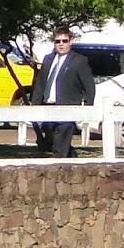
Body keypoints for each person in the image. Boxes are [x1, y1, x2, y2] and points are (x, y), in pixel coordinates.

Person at [30, 29, 96, 157]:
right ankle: (73, 159)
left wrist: (87, 109)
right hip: (48, 108)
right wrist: (35, 106)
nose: (61, 44)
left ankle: (58, 169)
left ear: (70, 42)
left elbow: (89, 86)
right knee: (53, 142)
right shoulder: (48, 59)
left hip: (68, 109)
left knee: (60, 144)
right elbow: (40, 84)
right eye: (57, 41)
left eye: (64, 41)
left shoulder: (79, 61)